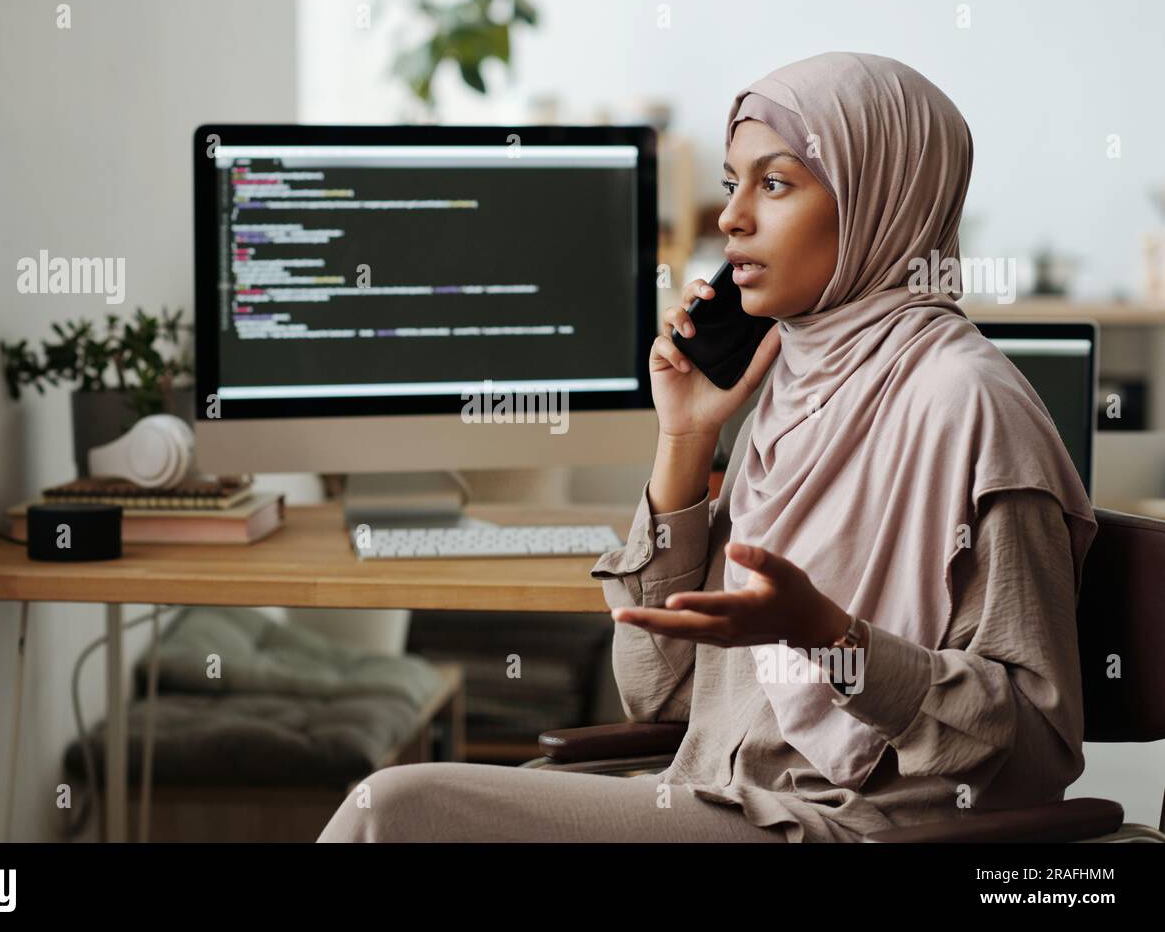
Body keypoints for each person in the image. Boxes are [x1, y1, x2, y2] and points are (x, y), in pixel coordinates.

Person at [316, 51, 1097, 843]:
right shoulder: (791, 392)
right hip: (709, 800)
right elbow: (656, 695)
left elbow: (1034, 749)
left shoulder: (971, 406)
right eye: (732, 184)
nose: (731, 219)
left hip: (852, 828)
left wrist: (833, 639)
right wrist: (685, 438)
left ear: (877, 202)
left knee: (396, 813)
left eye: (777, 182)